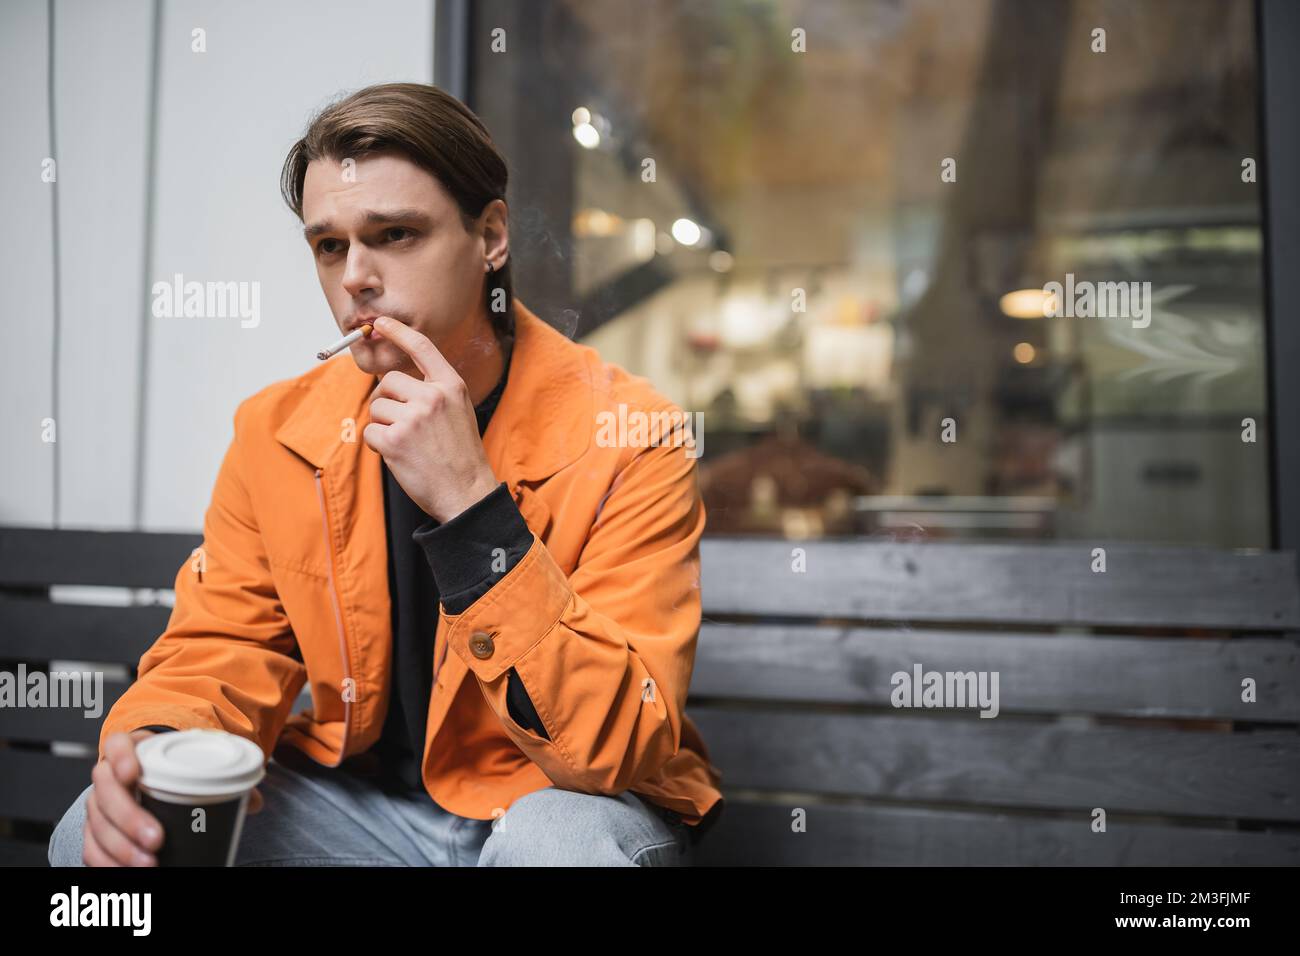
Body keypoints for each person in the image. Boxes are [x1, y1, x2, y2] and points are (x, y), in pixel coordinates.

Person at [48, 82, 723, 867]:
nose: (355, 278)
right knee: (102, 833)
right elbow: (222, 646)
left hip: (551, 800)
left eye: (395, 234)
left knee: (560, 848)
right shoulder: (276, 431)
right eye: (329, 246)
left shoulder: (630, 433)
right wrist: (158, 749)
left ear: (492, 236)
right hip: (361, 816)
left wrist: (473, 509)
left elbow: (620, 745)